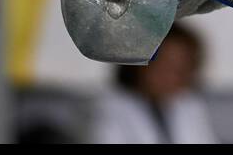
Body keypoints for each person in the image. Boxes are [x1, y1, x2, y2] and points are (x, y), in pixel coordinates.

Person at [89, 23, 219, 143]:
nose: (172, 77)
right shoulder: (108, 108)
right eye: (164, 66)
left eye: (181, 69)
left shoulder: (189, 105)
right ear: (138, 63)